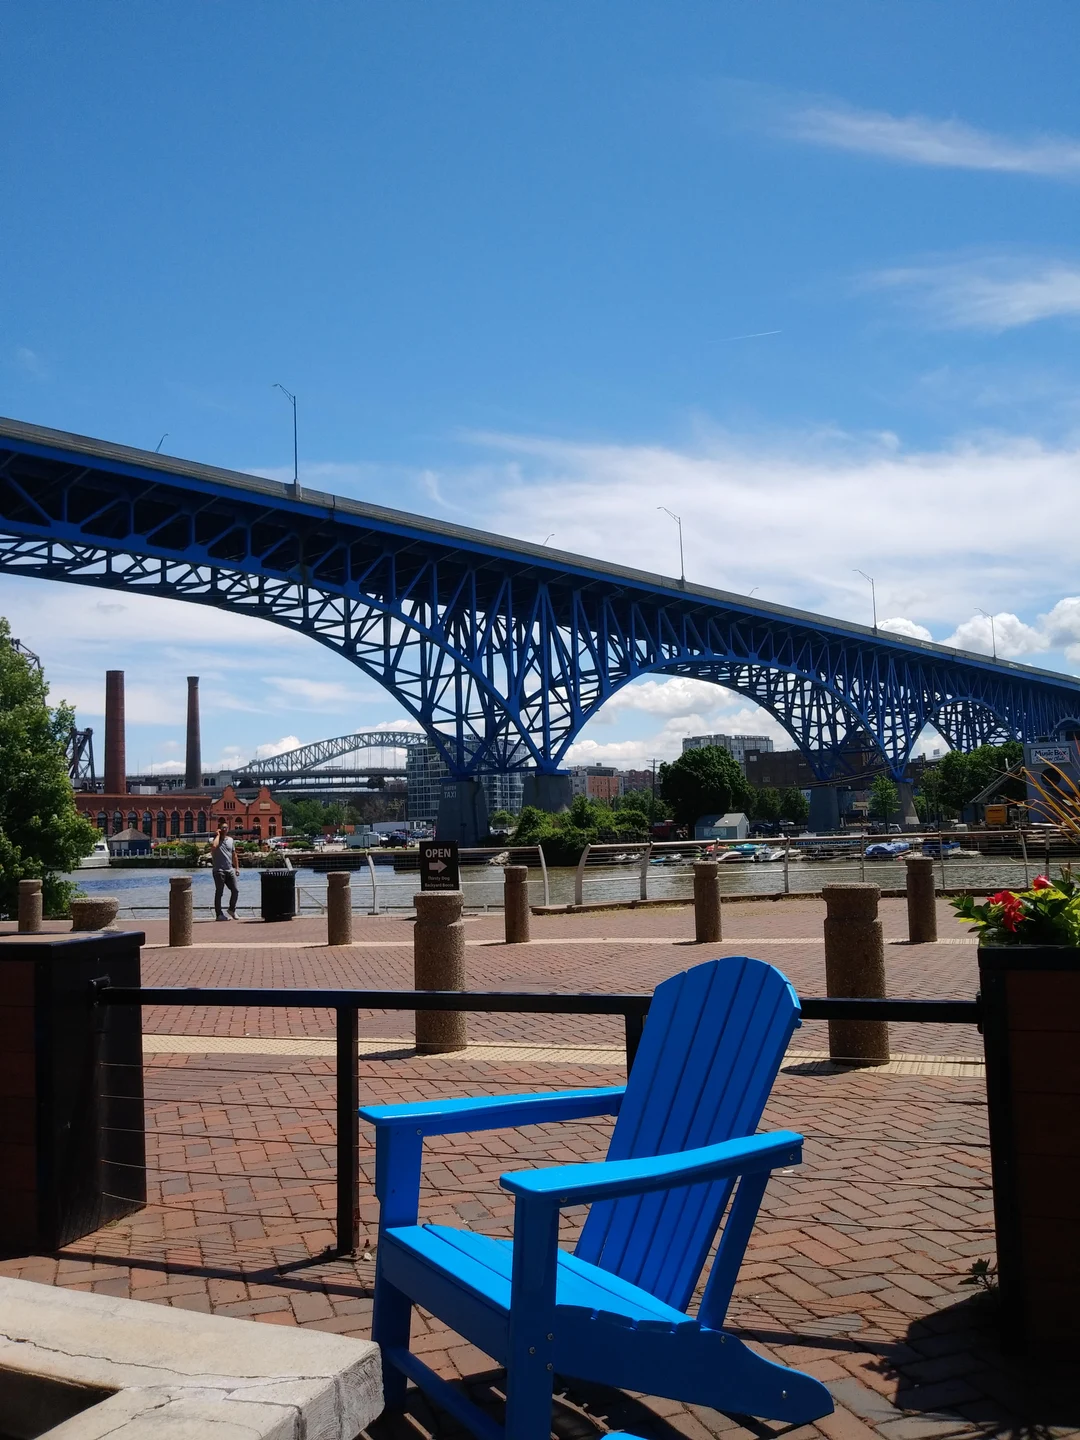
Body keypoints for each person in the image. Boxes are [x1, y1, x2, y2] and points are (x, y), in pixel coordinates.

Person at [209, 819, 239, 920]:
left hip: (229, 870)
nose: (225, 829)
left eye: (226, 828)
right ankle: (219, 914)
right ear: (219, 829)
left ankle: (232, 910)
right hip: (219, 871)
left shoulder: (230, 840)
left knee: (235, 890)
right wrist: (218, 835)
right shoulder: (214, 839)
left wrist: (237, 868)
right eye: (223, 828)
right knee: (219, 892)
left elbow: (234, 855)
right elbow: (214, 846)